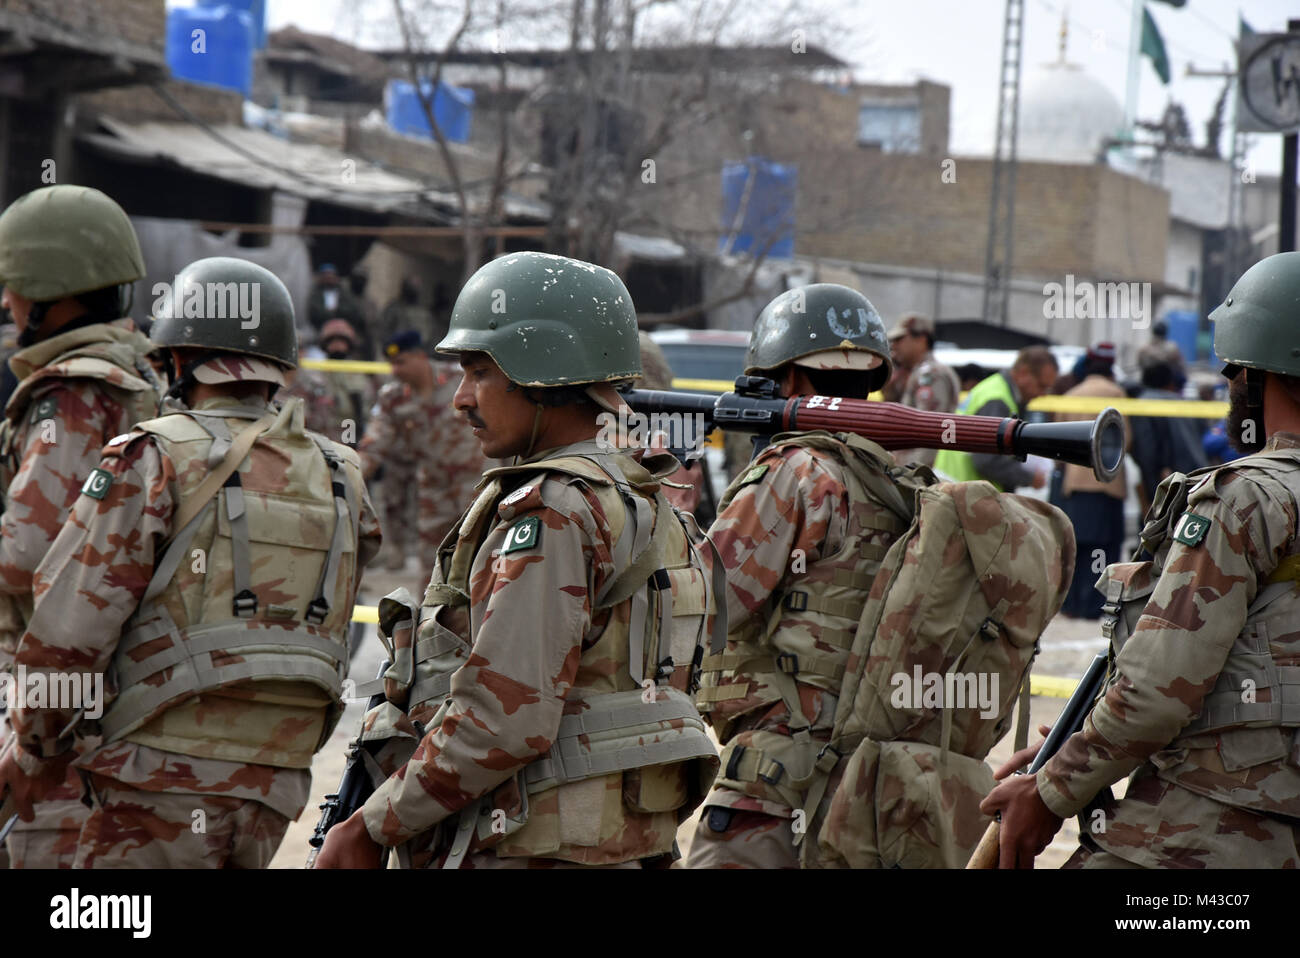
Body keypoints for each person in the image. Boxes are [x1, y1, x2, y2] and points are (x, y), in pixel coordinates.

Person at [314, 250, 718, 869]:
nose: (460, 399)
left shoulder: (553, 510)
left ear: (540, 372)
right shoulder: (648, 499)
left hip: (532, 844)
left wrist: (372, 826)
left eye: (478, 372)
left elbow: (505, 719)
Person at [0, 256, 382, 868]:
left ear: (177, 359)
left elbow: (70, 629)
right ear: (278, 368)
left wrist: (32, 750)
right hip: (275, 780)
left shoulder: (150, 457)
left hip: (157, 774)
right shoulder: (341, 475)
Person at [982, 251, 1300, 869]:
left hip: (1214, 830)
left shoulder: (1243, 500)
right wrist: (1076, 747)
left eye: (1234, 367)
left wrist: (1051, 789)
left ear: (1260, 373)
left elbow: (1159, 690)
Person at [684, 283, 901, 869]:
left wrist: (667, 497)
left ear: (787, 381)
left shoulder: (796, 471)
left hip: (782, 768)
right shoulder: (895, 478)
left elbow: (700, 603)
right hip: (870, 772)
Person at [0, 184, 165, 868]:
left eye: (13, 288)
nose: (7, 305)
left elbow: (24, 555)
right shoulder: (155, 376)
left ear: (48, 292)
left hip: (57, 709)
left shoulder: (73, 393)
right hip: (137, 699)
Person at [358, 330, 485, 573]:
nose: (394, 370)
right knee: (433, 570)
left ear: (419, 356)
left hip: (475, 489)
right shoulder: (393, 398)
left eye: (400, 362)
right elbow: (374, 443)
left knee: (479, 565)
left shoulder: (460, 380)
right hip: (433, 494)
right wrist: (350, 474)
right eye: (391, 364)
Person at [1057, 343, 1129, 619]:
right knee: (1102, 549)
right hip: (1107, 484)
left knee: (1076, 548)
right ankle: (1093, 605)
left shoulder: (1070, 394)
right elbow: (1127, 439)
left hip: (1075, 484)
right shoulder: (1116, 394)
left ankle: (1071, 604)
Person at [933, 346, 1058, 491]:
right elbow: (986, 461)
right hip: (965, 494)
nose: (1043, 395)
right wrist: (1029, 478)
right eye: (1041, 386)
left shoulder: (995, 389)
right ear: (1023, 372)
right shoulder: (997, 400)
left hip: (956, 487)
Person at [1128, 360, 1207, 514]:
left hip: (1166, 486)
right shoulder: (1186, 403)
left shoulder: (1143, 404)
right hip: (1197, 481)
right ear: (1170, 382)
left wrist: (1152, 492)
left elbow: (1147, 450)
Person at [886, 313, 960, 467]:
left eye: (900, 339)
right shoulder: (915, 373)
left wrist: (911, 474)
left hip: (916, 474)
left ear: (921, 340)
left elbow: (930, 432)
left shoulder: (930, 375)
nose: (894, 346)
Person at [317, 318, 375, 443]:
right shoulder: (317, 371)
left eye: (341, 341)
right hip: (323, 432)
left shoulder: (357, 371)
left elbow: (367, 404)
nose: (337, 345)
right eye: (332, 341)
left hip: (350, 430)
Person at [378, 278, 438, 355]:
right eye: (411, 287)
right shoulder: (394, 309)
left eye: (416, 287)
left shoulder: (424, 312)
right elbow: (383, 332)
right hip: (396, 354)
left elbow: (430, 337)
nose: (414, 290)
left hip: (419, 356)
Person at [307, 262, 364, 334]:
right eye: (326, 276)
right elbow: (314, 312)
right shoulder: (315, 294)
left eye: (331, 275)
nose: (329, 278)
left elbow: (352, 310)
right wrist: (329, 315)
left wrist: (337, 312)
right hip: (320, 329)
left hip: (344, 328)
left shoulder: (345, 293)